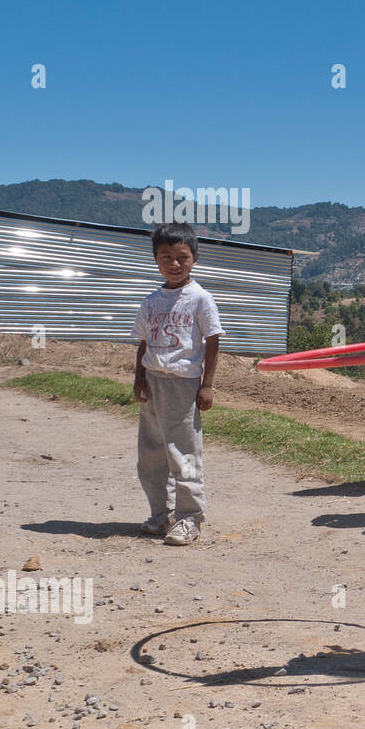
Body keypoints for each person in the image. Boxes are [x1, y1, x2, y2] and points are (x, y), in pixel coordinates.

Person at [131, 222, 224, 546]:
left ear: (195, 258)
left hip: (183, 384)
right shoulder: (151, 301)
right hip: (153, 381)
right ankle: (161, 514)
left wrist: (207, 385)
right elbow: (143, 342)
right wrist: (139, 378)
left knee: (183, 452)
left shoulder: (200, 299)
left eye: (182, 257)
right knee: (151, 452)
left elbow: (213, 342)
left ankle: (190, 517)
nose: (174, 264)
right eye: (165, 257)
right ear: (156, 259)